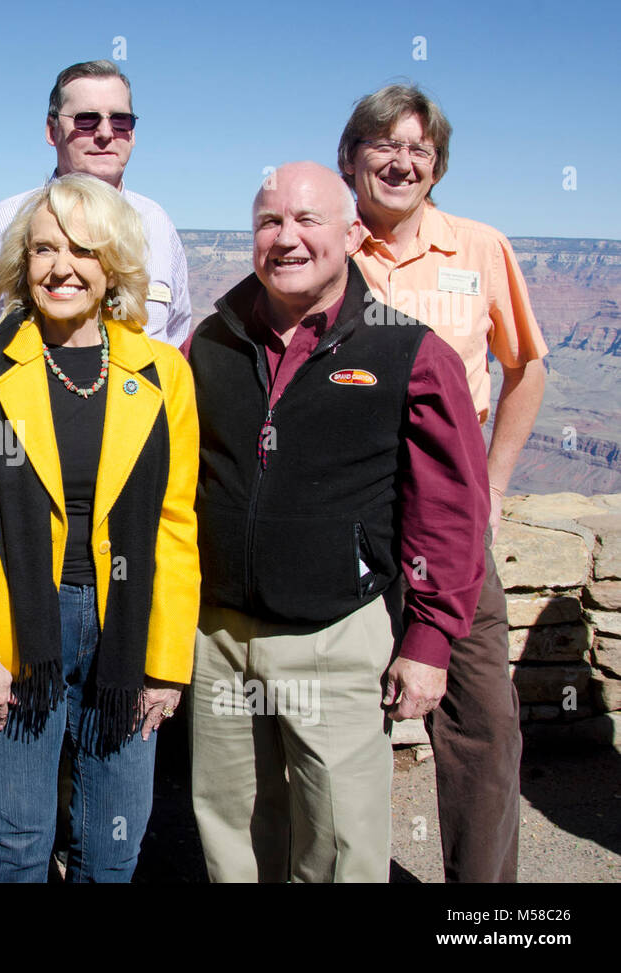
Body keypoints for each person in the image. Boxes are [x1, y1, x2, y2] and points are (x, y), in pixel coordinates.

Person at [187, 162, 488, 882]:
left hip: (336, 633)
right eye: (269, 222)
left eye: (306, 220)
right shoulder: (212, 342)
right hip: (218, 633)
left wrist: (431, 637)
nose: (285, 239)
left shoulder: (407, 352)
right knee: (229, 829)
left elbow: (450, 508)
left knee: (340, 845)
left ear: (353, 233)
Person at [0, 172, 200, 882]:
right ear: (21, 262)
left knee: (114, 843)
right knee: (14, 839)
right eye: (43, 249)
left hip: (122, 628)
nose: (61, 266)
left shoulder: (163, 374)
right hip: (13, 631)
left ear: (115, 266)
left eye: (83, 249)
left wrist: (165, 663)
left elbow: (174, 526)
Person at [338, 84, 544, 883]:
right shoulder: (326, 247)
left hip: (451, 523)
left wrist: (491, 488)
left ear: (439, 165)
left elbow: (525, 368)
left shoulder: (480, 248)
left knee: (483, 723)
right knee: (340, 722)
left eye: (419, 149)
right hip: (351, 520)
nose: (402, 161)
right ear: (352, 157)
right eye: (384, 145)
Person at [0, 59, 192, 370]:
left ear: (133, 133)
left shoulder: (157, 225)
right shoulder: (4, 223)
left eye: (120, 120)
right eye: (86, 120)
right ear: (52, 130)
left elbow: (175, 349)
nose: (106, 133)